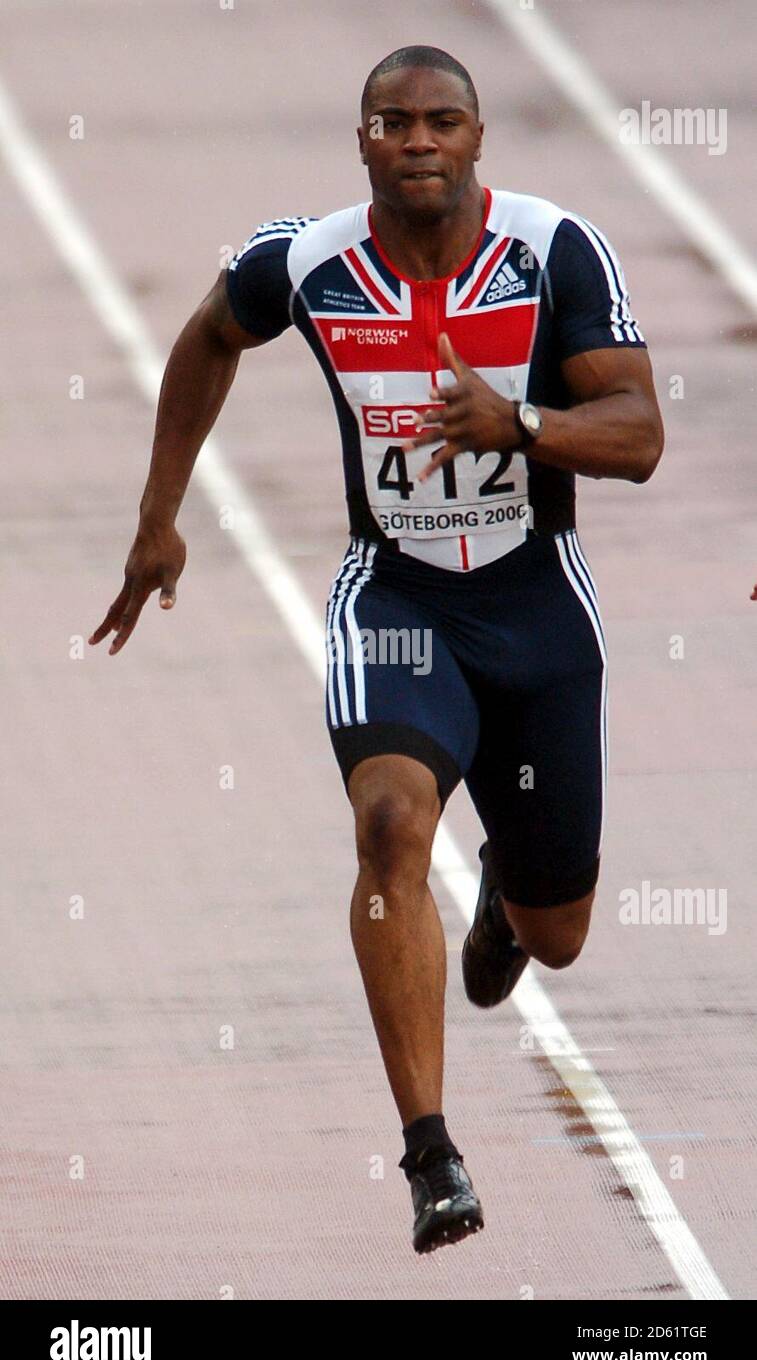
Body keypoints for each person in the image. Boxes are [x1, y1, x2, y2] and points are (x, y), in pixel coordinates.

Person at [90, 46, 664, 1255]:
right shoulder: (305, 262)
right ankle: (430, 1153)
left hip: (534, 603)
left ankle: (509, 900)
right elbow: (207, 338)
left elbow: (638, 434)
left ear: (475, 139)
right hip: (395, 596)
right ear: (359, 141)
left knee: (560, 931)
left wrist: (513, 421)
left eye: (440, 122)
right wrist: (157, 520)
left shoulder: (556, 250)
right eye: (391, 122)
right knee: (393, 825)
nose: (415, 140)